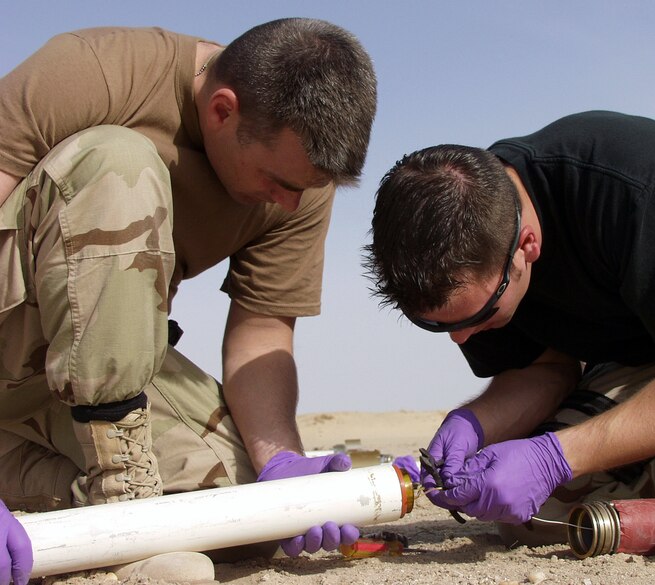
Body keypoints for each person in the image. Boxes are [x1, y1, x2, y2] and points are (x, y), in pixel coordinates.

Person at [0, 18, 377, 583]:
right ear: (223, 111)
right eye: (280, 182)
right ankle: (124, 503)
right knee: (119, 164)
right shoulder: (96, 72)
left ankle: (65, 497)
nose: (290, 205)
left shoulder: (298, 186)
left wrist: (281, 462)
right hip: (12, 331)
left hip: (75, 380)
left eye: (305, 189)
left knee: (242, 509)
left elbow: (262, 332)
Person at [364, 110, 655, 561]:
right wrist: (476, 423)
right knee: (536, 512)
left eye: (479, 315)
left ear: (527, 246)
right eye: (437, 326)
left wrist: (552, 456)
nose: (461, 340)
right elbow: (546, 371)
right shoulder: (470, 255)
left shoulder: (629, 181)